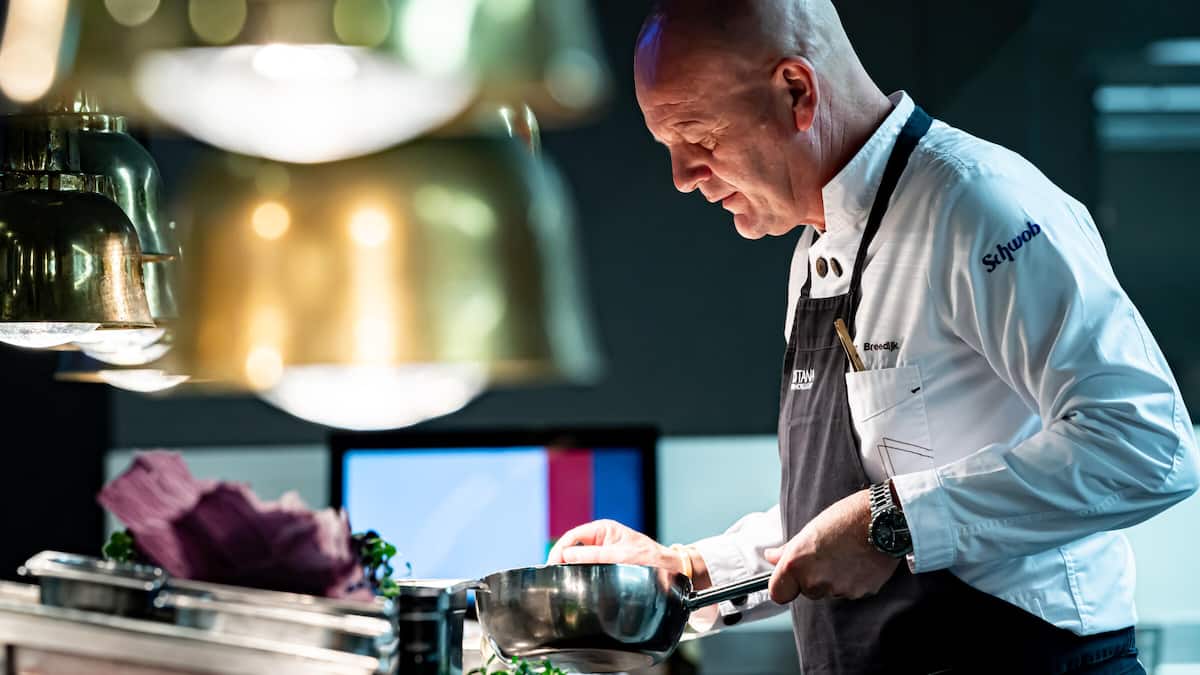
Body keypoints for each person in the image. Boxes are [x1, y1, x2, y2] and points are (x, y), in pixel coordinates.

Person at [547, 1, 1200, 673]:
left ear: (796, 92)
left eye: (699, 138)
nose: (683, 177)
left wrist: (892, 522)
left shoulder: (980, 205)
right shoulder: (813, 252)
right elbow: (847, 514)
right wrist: (686, 572)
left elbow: (1147, 443)